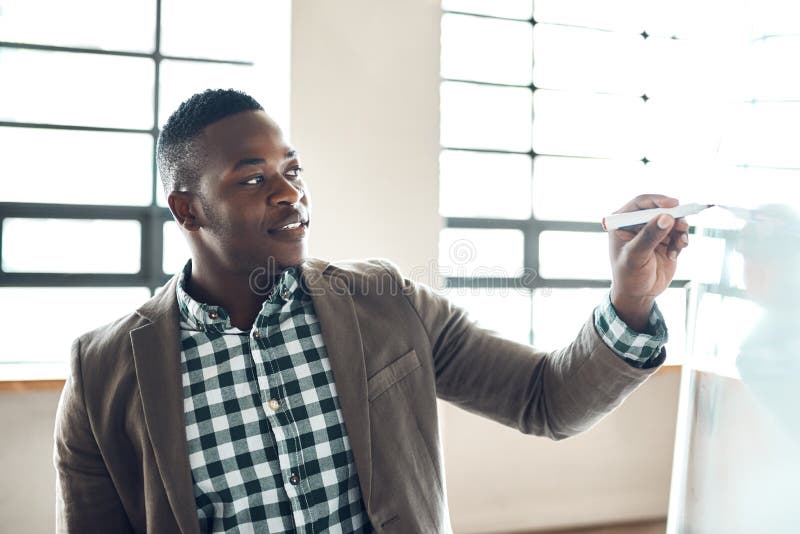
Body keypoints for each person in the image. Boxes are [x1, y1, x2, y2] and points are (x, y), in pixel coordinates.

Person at [53, 89, 689, 533]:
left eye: (293, 170)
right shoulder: (103, 371)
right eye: (253, 179)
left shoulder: (386, 303)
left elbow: (547, 399)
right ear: (188, 210)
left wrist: (630, 298)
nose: (290, 193)